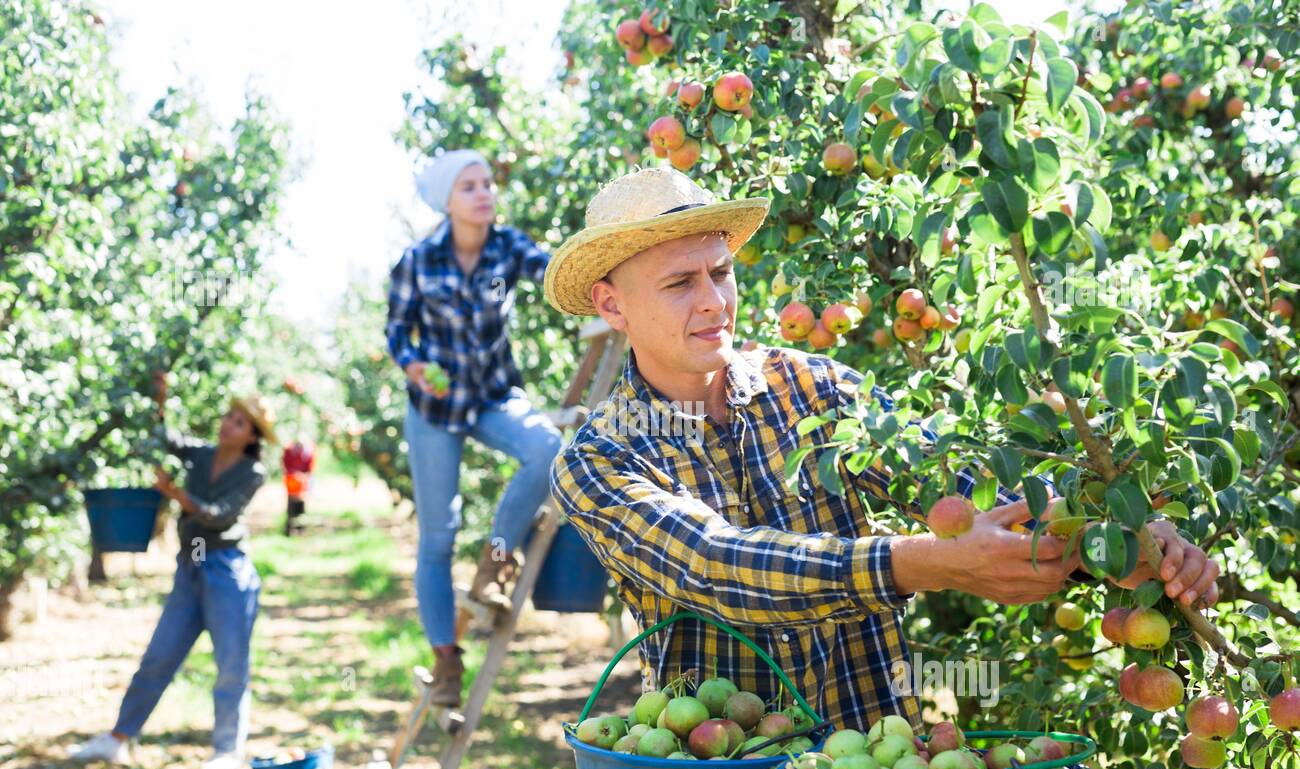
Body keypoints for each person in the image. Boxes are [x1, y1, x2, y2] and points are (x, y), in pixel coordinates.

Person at [544, 167, 1221, 732]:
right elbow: (720, 567)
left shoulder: (818, 390)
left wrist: (1113, 544)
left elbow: (962, 486)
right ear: (612, 305)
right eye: (678, 283)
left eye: (720, 273)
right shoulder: (598, 460)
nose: (714, 301)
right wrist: (927, 565)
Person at [388, 149, 564, 707]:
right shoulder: (417, 260)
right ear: (447, 200)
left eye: (487, 183)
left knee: (547, 448)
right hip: (435, 407)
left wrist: (605, 273)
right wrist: (414, 365)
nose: (484, 193)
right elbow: (397, 331)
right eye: (469, 186)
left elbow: (552, 272)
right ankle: (445, 661)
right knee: (437, 535)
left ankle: (496, 557)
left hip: (491, 395)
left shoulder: (507, 246)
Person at [70, 374, 277, 769]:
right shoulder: (201, 455)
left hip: (226, 569)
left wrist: (175, 494)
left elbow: (219, 515)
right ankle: (118, 738)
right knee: (159, 655)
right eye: (228, 416)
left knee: (231, 665)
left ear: (252, 435)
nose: (227, 424)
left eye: (239, 421)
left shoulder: (253, 472)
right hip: (191, 567)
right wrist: (159, 398)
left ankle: (227, 751)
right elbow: (162, 436)